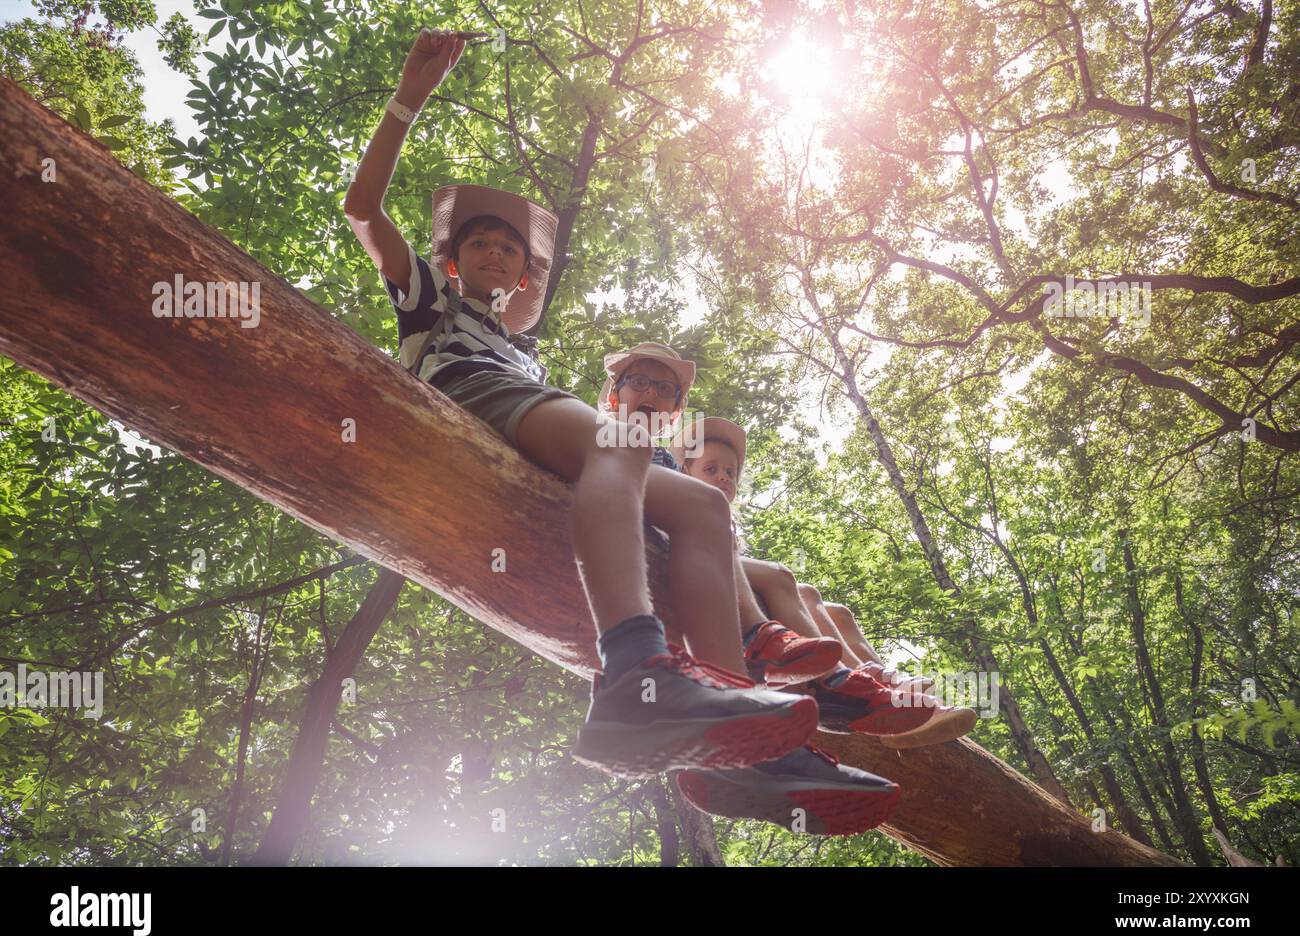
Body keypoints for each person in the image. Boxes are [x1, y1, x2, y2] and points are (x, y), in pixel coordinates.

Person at [344, 28, 822, 782]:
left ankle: (735, 737)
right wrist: (408, 99)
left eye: (513, 249)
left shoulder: (525, 350)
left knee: (703, 507)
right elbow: (364, 211)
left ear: (526, 279)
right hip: (472, 396)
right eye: (482, 243)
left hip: (523, 401)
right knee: (623, 440)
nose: (499, 254)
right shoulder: (430, 302)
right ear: (451, 261)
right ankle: (637, 670)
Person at [599, 345, 904, 833]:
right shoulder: (601, 435)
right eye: (639, 383)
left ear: (676, 412)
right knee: (774, 575)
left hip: (685, 565)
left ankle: (778, 745)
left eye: (667, 391)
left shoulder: (667, 465)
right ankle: (793, 683)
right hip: (644, 566)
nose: (652, 395)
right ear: (612, 396)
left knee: (801, 593)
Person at [667, 415, 980, 750]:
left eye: (730, 472)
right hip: (696, 579)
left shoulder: (724, 519)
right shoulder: (681, 503)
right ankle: (857, 686)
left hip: (731, 583)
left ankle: (880, 680)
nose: (723, 478)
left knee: (834, 609)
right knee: (784, 578)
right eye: (710, 469)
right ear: (686, 472)